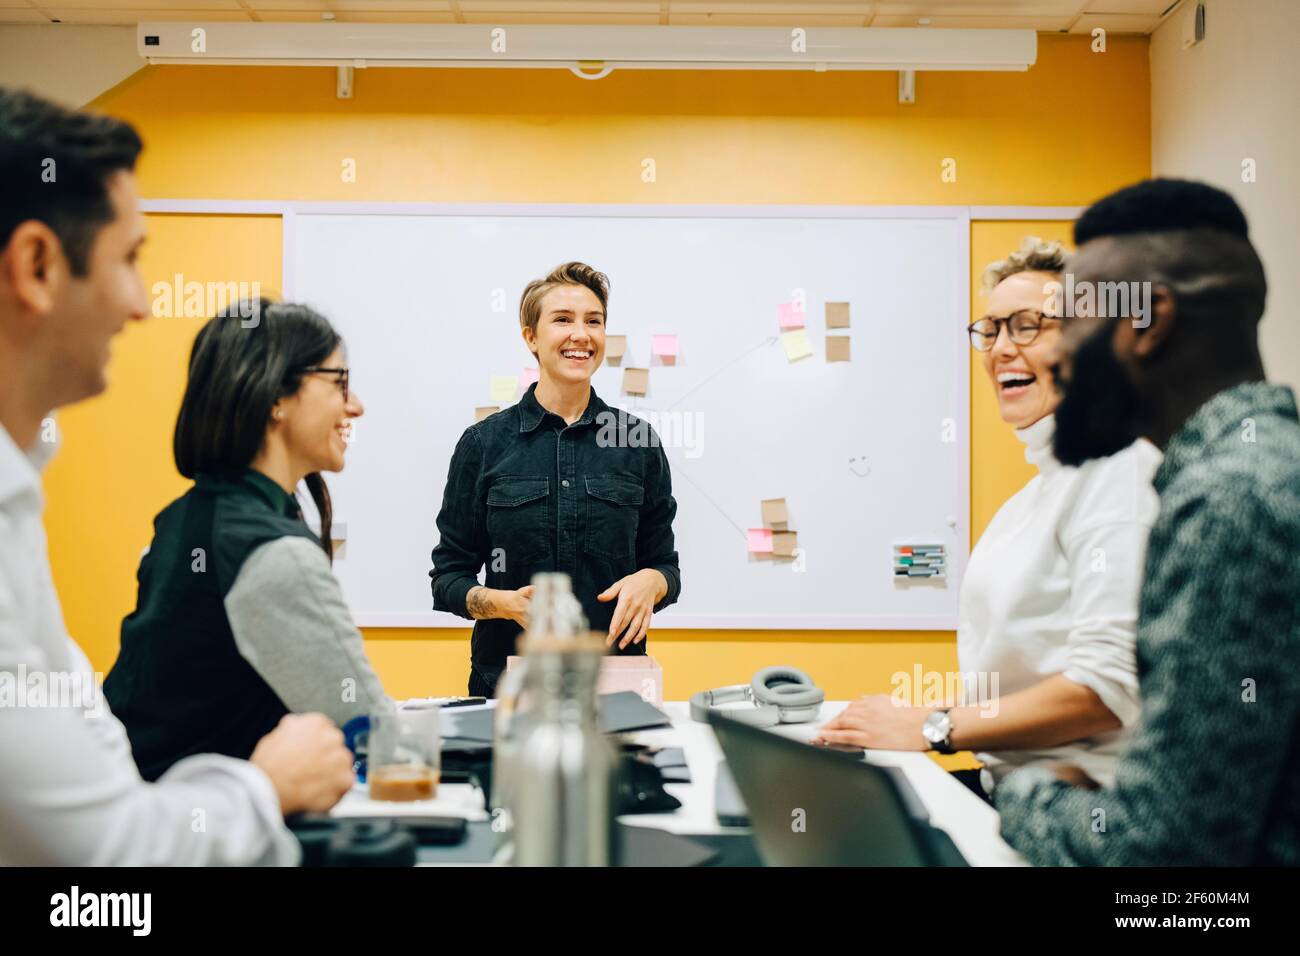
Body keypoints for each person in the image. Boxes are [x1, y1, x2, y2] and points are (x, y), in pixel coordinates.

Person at [0, 86, 353, 865]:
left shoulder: (40, 500)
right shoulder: (269, 548)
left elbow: (94, 738)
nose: (142, 304)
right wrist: (265, 786)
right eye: (129, 261)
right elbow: (100, 850)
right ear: (35, 266)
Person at [995, 178, 1300, 866]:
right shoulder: (1258, 469)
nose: (1051, 353)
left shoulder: (1232, 503)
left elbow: (1158, 851)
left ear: (1146, 320)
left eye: (1069, 320)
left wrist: (1027, 789)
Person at [814, 238, 1161, 799]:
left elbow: (1107, 688)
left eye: (1027, 325)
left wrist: (933, 725)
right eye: (991, 329)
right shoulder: (1032, 498)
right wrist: (923, 716)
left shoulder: (1119, 475)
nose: (1000, 348)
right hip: (1012, 785)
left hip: (1084, 809)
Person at [104, 300, 389, 780]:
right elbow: (369, 729)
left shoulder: (183, 518)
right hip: (201, 832)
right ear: (276, 396)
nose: (355, 404)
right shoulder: (272, 554)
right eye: (339, 382)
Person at [430, 262, 681, 696]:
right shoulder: (483, 444)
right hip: (508, 686)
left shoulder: (637, 442)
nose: (581, 334)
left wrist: (653, 581)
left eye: (594, 321)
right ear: (531, 336)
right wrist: (501, 603)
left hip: (615, 688)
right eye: (562, 320)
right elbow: (448, 578)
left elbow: (665, 567)